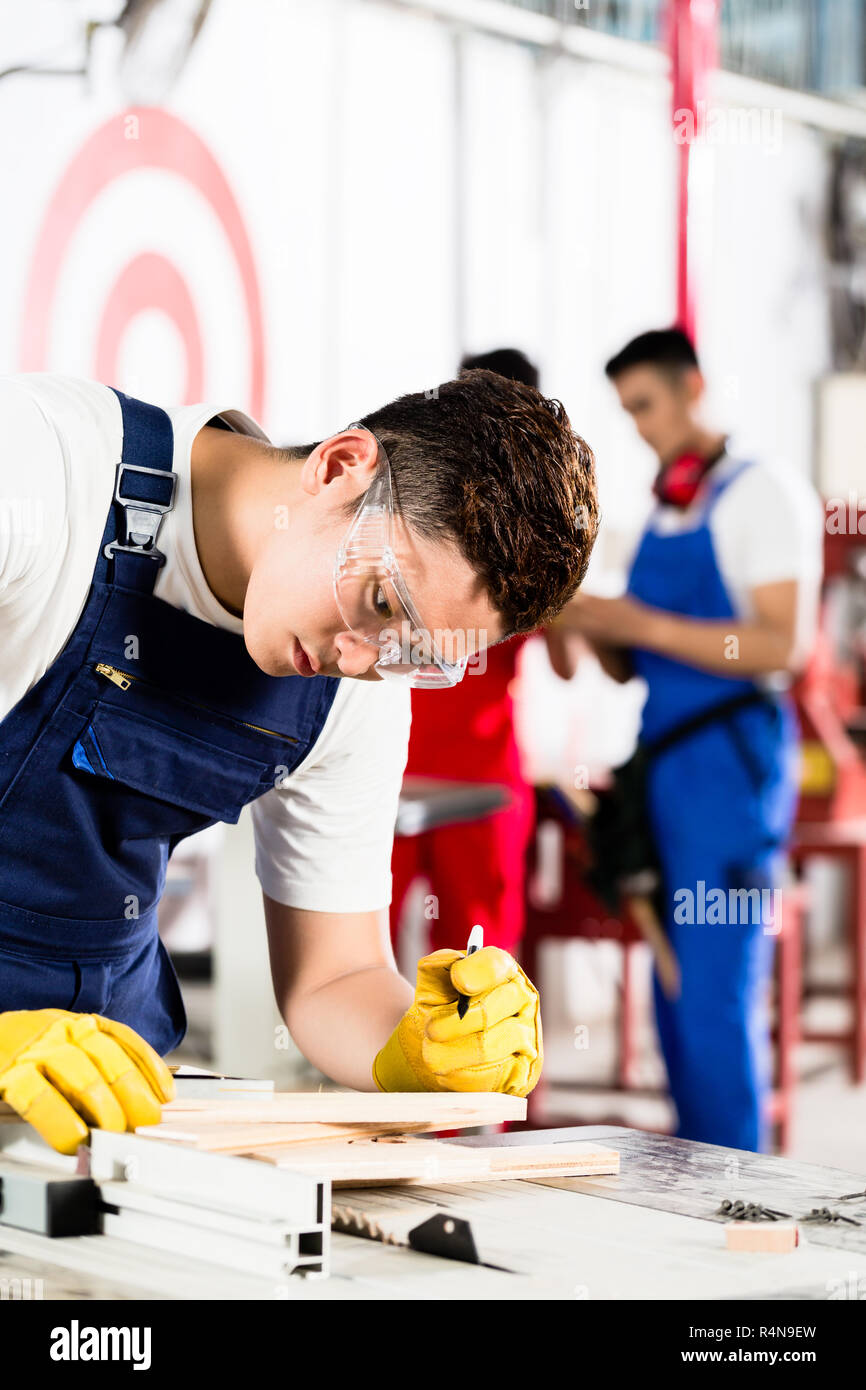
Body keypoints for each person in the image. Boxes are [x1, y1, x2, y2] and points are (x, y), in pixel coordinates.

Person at [0, 368, 598, 1152]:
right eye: (384, 602)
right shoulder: (34, 476)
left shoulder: (360, 687)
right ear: (341, 466)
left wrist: (414, 1049)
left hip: (107, 1098)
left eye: (416, 652)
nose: (361, 659)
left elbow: (333, 978)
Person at [559, 328, 823, 1151]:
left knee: (714, 995)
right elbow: (629, 668)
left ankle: (739, 1201)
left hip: (731, 775)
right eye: (625, 411)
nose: (638, 427)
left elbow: (780, 646)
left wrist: (639, 621)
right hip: (665, 771)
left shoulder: (764, 494)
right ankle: (688, 1193)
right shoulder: (668, 510)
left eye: (646, 405)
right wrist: (583, 617)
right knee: (676, 999)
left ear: (693, 388)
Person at [390, 348, 568, 964]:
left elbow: (568, 663)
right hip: (394, 769)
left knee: (478, 970)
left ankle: (489, 1067)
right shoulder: (417, 498)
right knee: (358, 952)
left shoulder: (543, 532)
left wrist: (562, 582)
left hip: (482, 781)